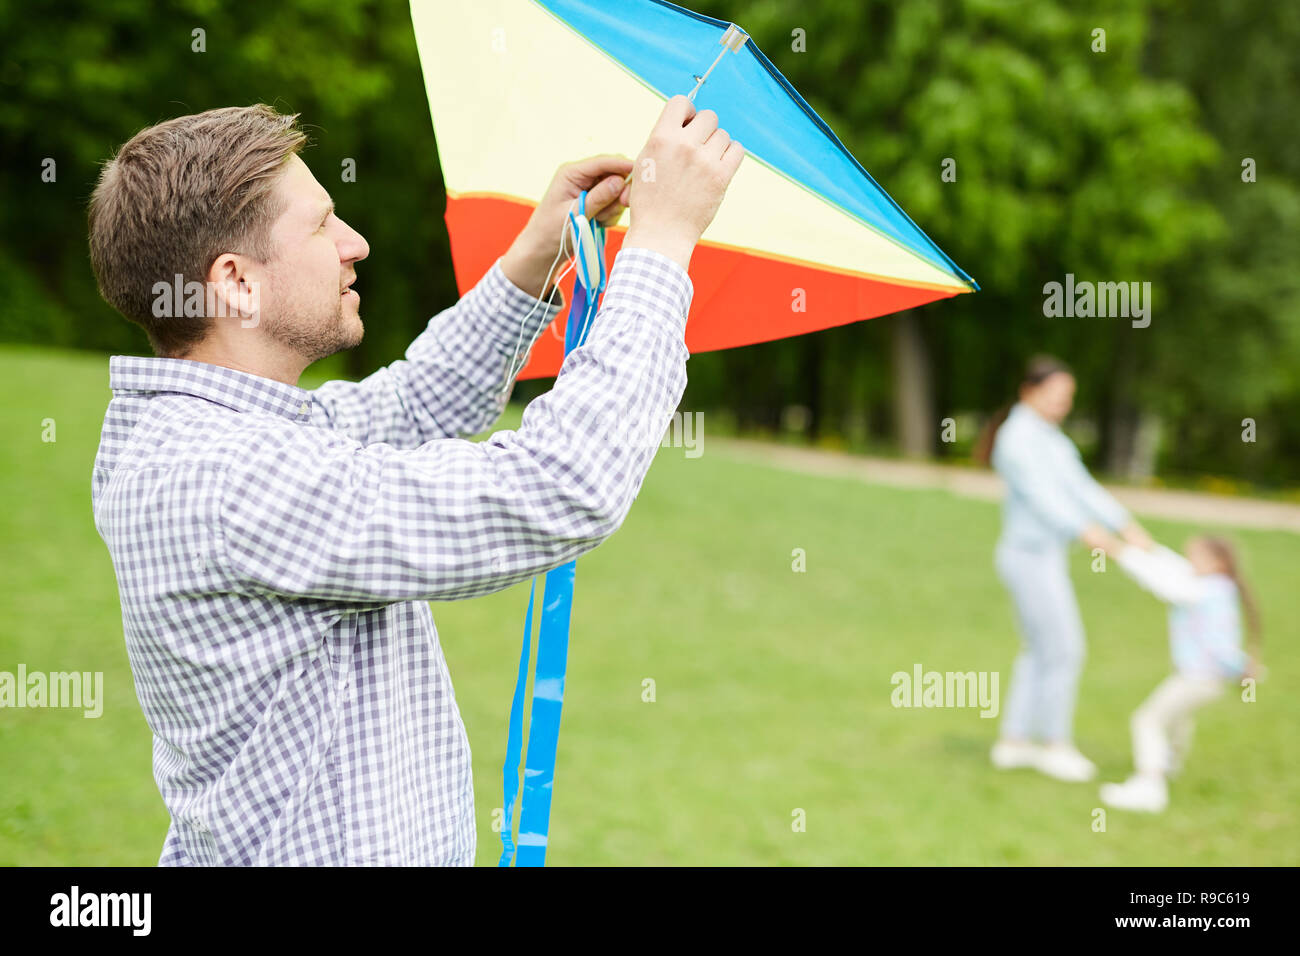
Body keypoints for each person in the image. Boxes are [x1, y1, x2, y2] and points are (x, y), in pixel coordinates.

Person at [87, 98, 744, 865]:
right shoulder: (229, 479)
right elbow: (562, 486)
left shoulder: (223, 435)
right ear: (235, 282)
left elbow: (413, 403)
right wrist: (662, 245)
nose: (353, 243)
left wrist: (540, 253)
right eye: (320, 225)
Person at [974, 356, 1153, 781]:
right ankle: (1053, 744)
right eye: (1056, 397)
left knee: (1039, 650)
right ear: (1029, 391)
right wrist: (1089, 533)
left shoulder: (1051, 439)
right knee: (1064, 649)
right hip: (1029, 557)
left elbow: (1080, 486)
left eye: (1067, 399)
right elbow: (1044, 499)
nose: (1062, 405)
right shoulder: (1016, 439)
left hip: (1045, 556)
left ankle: (1014, 741)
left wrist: (1126, 525)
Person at [1100, 536, 1260, 812]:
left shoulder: (1204, 591)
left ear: (1218, 563)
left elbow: (1167, 584)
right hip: (1208, 678)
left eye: (1196, 558)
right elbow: (1174, 569)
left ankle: (1150, 785)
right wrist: (1148, 549)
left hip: (1198, 676)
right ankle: (1168, 766)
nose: (1190, 563)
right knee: (1177, 718)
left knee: (1147, 720)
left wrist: (1121, 553)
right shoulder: (1219, 588)